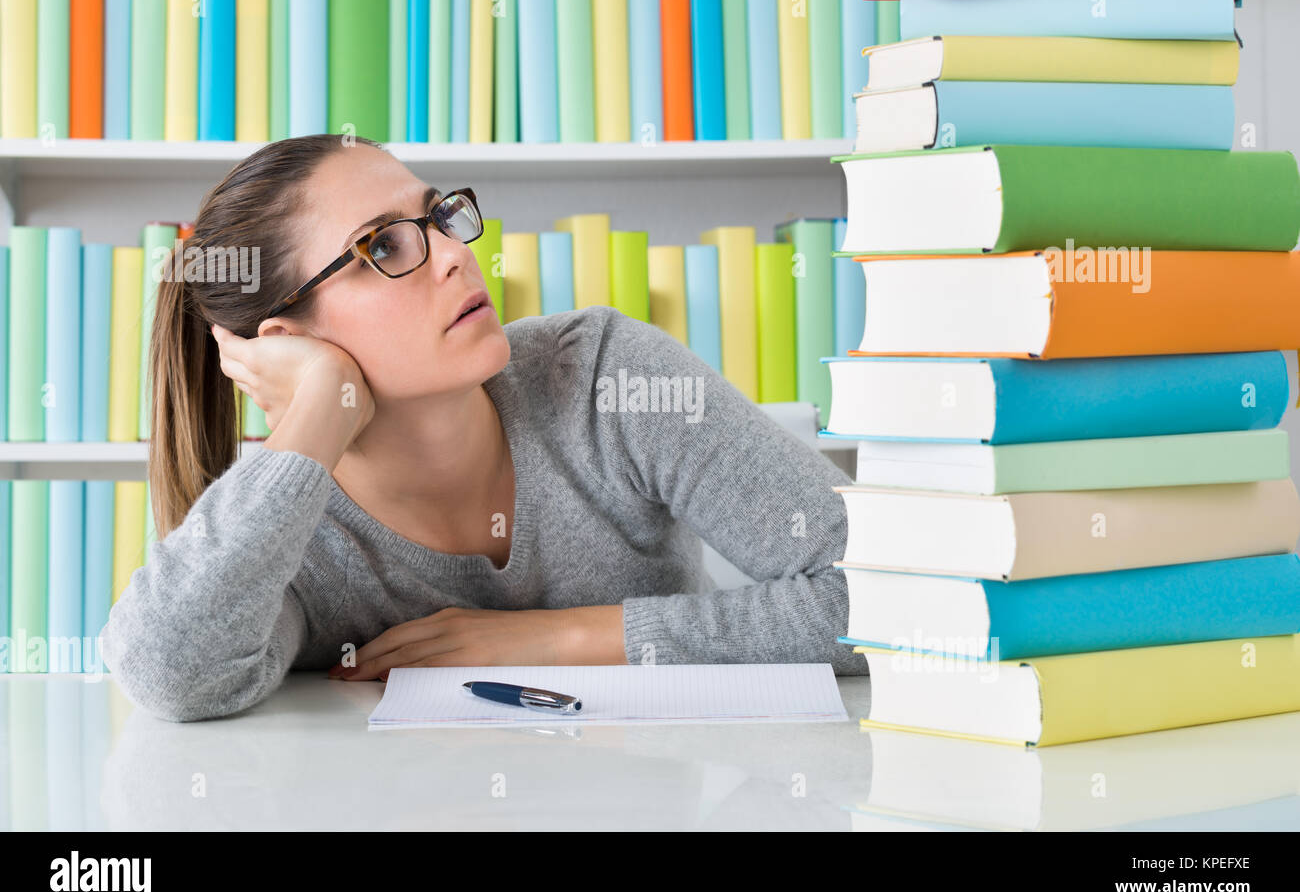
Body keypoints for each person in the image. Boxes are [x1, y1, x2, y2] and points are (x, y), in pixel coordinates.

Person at [99, 134, 860, 723]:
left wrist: (557, 640)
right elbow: (168, 672)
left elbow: (895, 597)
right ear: (285, 342)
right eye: (382, 245)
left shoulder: (602, 376)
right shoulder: (291, 532)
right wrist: (320, 406)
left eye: (437, 217)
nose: (456, 255)